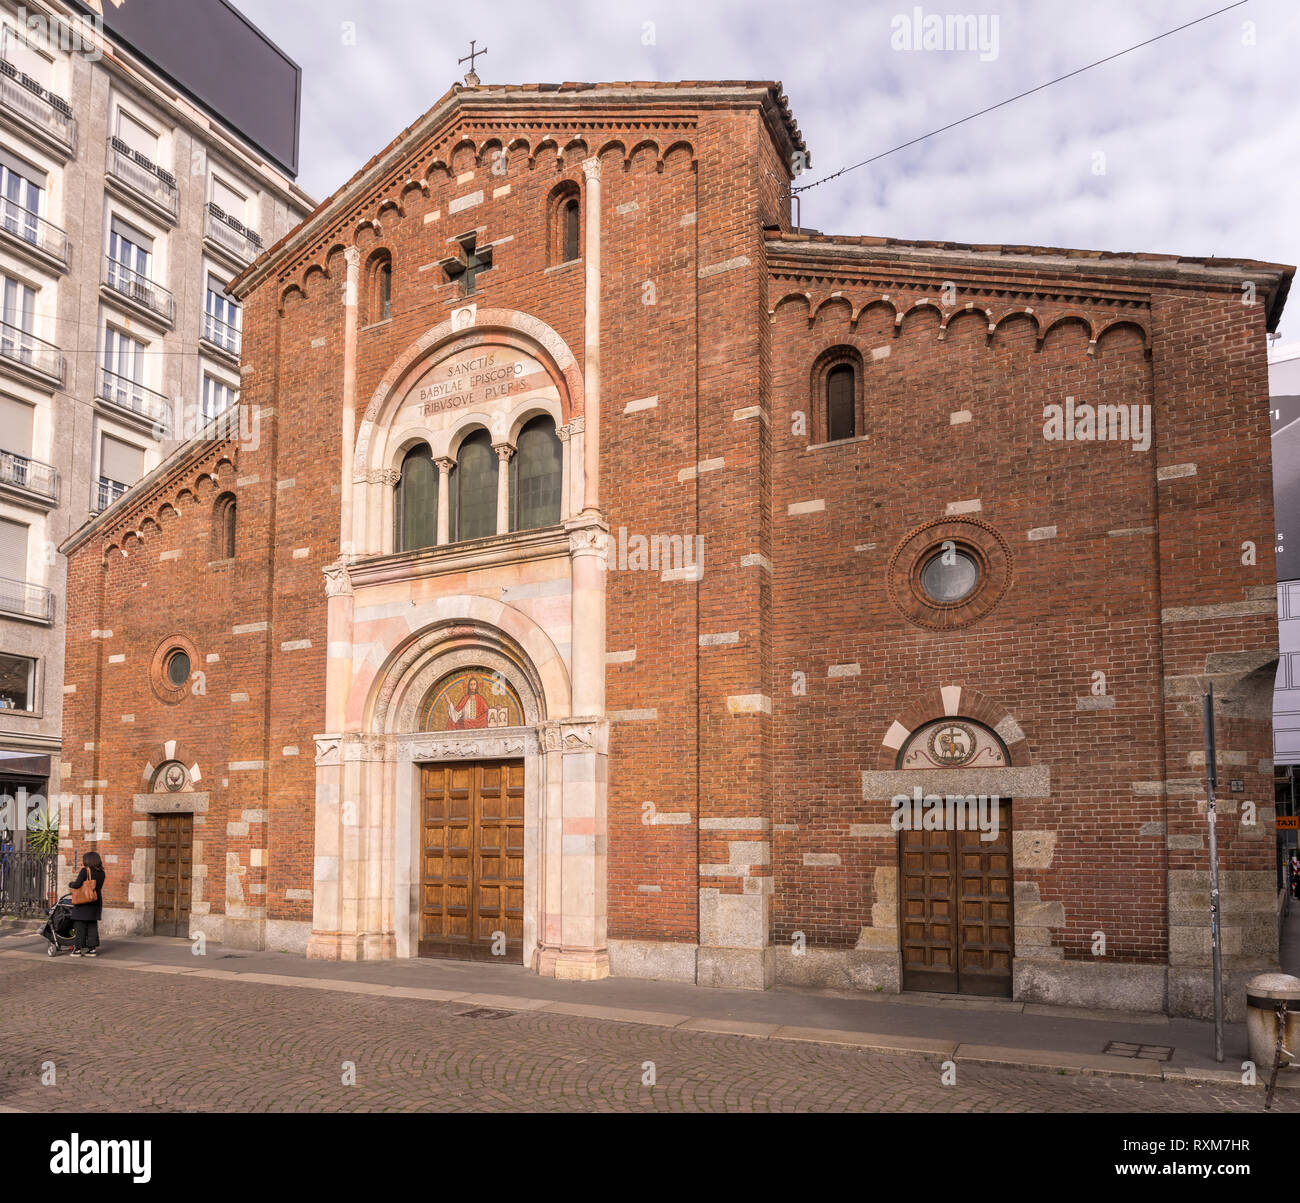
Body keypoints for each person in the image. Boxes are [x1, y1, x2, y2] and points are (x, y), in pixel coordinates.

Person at [68, 851, 105, 957]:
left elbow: (77, 884)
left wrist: (71, 884)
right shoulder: (102, 872)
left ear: (88, 860)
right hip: (96, 901)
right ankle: (92, 949)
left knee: (80, 925)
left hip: (83, 902)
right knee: (92, 925)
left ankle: (78, 949)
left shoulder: (85, 871)